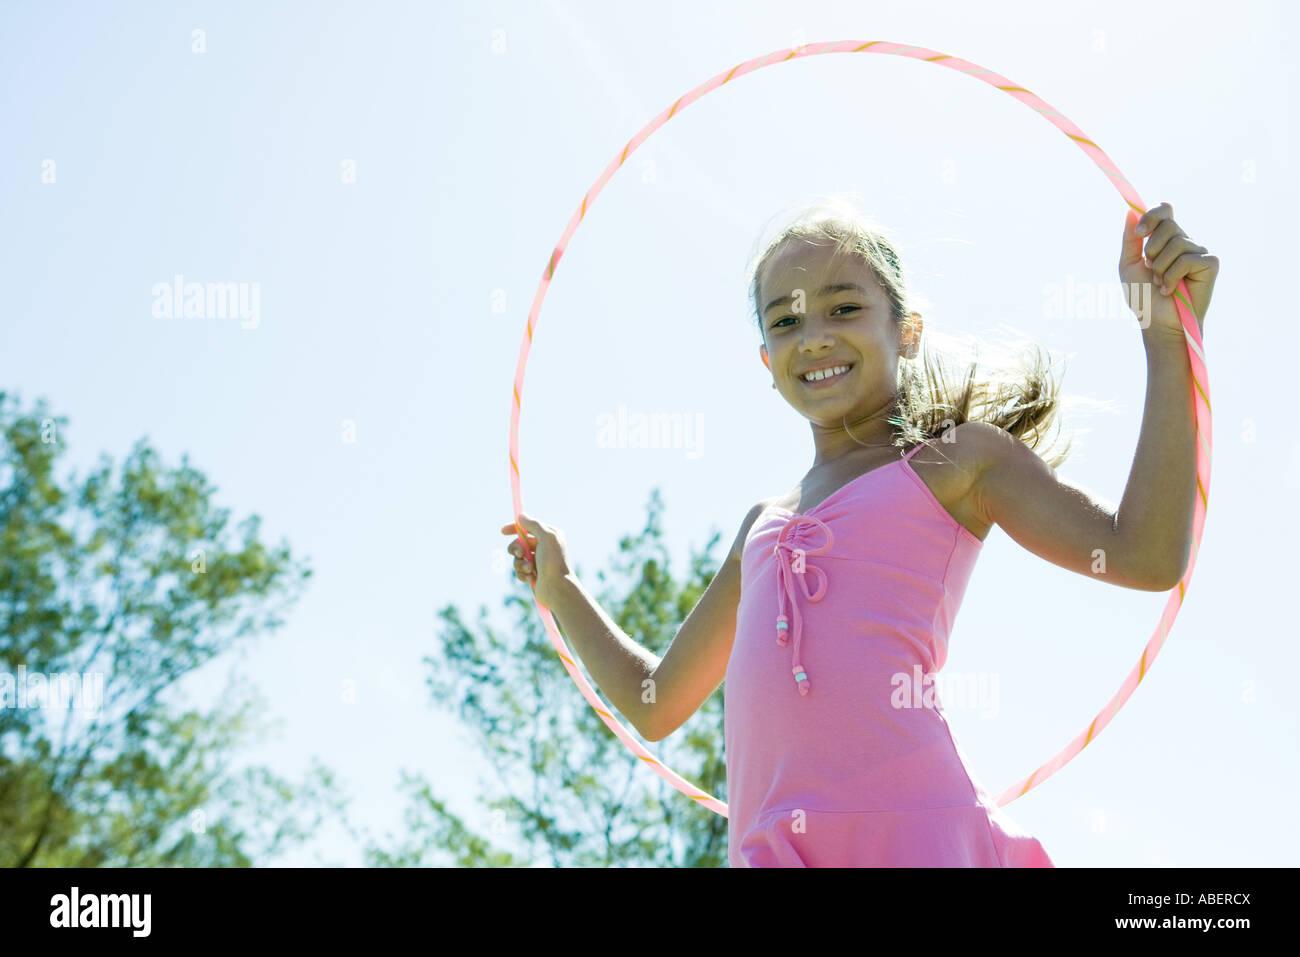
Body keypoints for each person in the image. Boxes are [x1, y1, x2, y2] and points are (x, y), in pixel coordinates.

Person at [500, 198, 1217, 867]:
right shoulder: (762, 527)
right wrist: (561, 589)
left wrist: (1166, 336)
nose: (813, 338)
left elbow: (1145, 554)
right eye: (785, 321)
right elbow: (655, 703)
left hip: (914, 835)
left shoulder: (956, 462)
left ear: (906, 333)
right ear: (765, 363)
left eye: (844, 307)